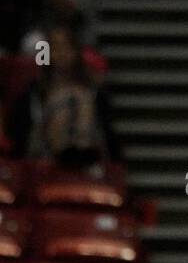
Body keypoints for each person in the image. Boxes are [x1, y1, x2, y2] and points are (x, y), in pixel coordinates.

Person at [6, 23, 121, 166]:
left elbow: (106, 131)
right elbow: (17, 132)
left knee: (78, 98)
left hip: (87, 159)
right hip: (44, 159)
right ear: (47, 53)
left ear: (76, 52)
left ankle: (76, 151)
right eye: (56, 48)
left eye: (67, 47)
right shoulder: (33, 93)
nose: (62, 53)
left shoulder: (93, 91)